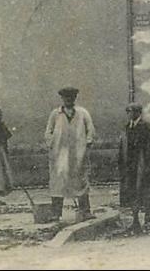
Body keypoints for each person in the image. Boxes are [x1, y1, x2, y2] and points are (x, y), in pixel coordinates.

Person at [45, 87, 96, 220]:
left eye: (71, 97)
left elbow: (90, 130)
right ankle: (56, 213)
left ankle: (85, 211)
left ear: (75, 98)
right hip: (60, 153)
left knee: (80, 180)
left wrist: (87, 144)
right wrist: (52, 144)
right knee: (58, 182)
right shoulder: (56, 114)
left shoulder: (82, 113)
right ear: (62, 99)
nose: (69, 100)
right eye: (66, 97)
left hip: (78, 153)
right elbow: (48, 131)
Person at [118, 102, 150, 233]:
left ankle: (147, 217)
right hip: (129, 165)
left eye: (132, 111)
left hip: (142, 164)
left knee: (145, 191)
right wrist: (121, 164)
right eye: (128, 112)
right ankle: (135, 219)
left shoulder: (145, 126)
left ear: (138, 113)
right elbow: (122, 147)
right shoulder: (126, 127)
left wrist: (148, 164)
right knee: (131, 191)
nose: (129, 114)